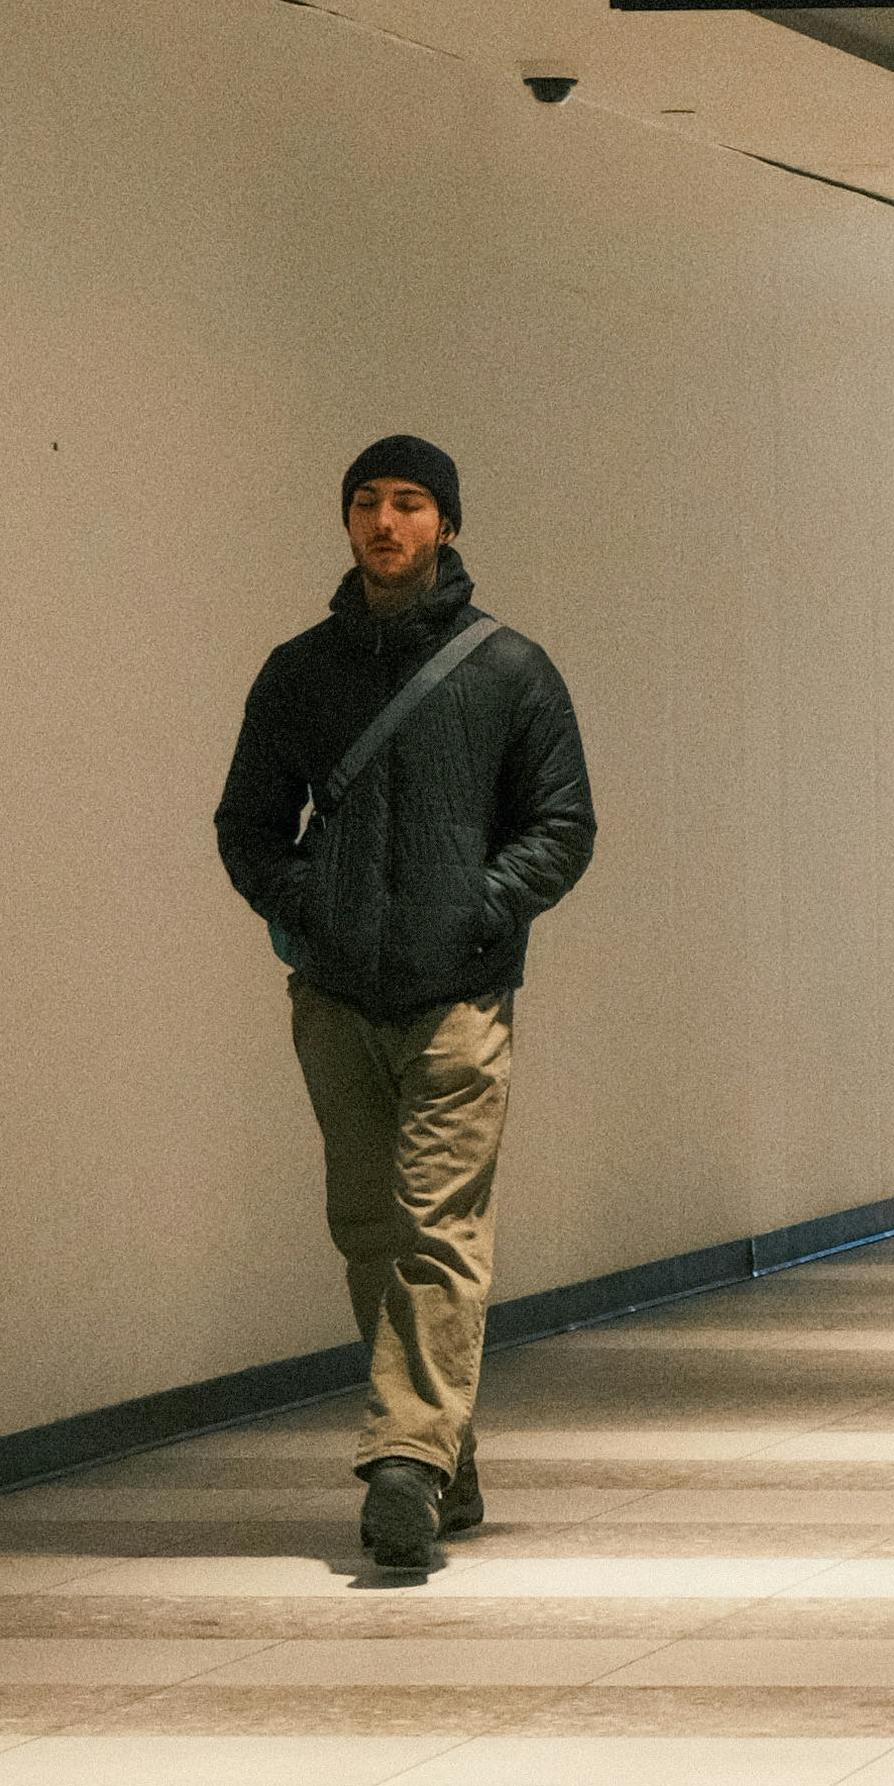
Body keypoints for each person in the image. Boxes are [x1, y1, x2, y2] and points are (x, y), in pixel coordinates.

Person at [211, 434, 594, 1584]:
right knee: (368, 1229)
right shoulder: (298, 673)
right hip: (336, 998)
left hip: (460, 996)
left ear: (448, 523)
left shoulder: (510, 670)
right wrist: (306, 908)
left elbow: (563, 827)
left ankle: (402, 1467)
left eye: (411, 502)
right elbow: (244, 824)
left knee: (438, 1227)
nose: (387, 521)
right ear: (346, 522)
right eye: (368, 502)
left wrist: (476, 908)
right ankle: (444, 1449)